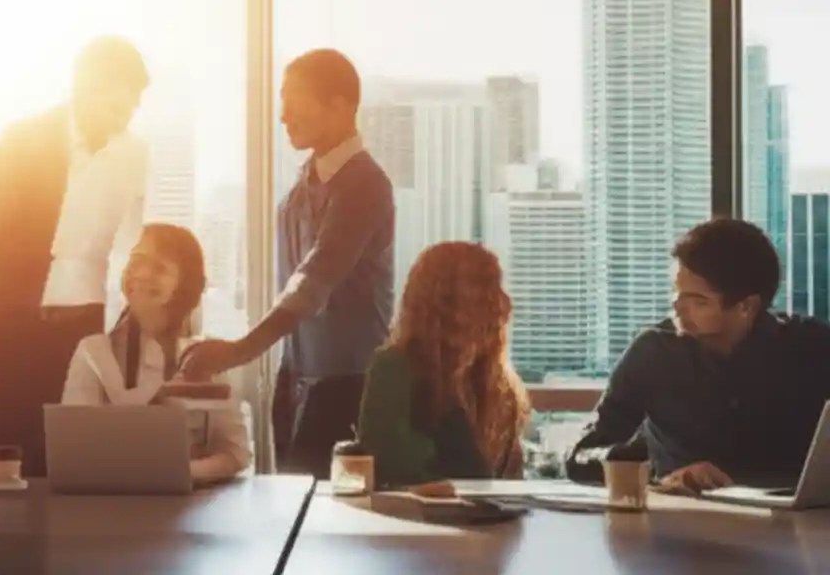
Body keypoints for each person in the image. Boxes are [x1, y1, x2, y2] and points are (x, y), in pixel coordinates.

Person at [181, 49, 395, 478]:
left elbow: (312, 283)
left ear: (340, 104)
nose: (282, 116)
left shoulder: (364, 184)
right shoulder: (304, 184)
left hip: (349, 387)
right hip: (296, 379)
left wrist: (238, 351)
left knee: (335, 526)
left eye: (293, 99)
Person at [0, 36, 150, 476]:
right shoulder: (24, 140)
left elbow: (133, 246)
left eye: (131, 110)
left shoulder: (131, 155)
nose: (121, 121)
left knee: (72, 472)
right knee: (4, 474)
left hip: (82, 337)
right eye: (116, 108)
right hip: (11, 335)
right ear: (84, 87)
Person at [567, 218, 830, 491]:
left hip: (796, 524)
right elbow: (580, 457)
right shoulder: (653, 351)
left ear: (747, 306)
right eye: (676, 294)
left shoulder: (813, 347)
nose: (677, 308)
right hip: (681, 522)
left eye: (697, 301)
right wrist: (649, 476)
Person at [61, 224, 251, 484]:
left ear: (184, 284)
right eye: (137, 260)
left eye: (159, 268)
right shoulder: (93, 353)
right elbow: (72, 452)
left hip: (189, 508)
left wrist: (178, 473)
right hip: (108, 508)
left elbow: (235, 453)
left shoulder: (204, 357)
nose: (141, 274)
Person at [357, 243, 529, 489]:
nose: (503, 304)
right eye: (485, 290)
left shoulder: (495, 382)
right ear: (448, 304)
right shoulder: (394, 369)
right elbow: (387, 458)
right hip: (416, 522)